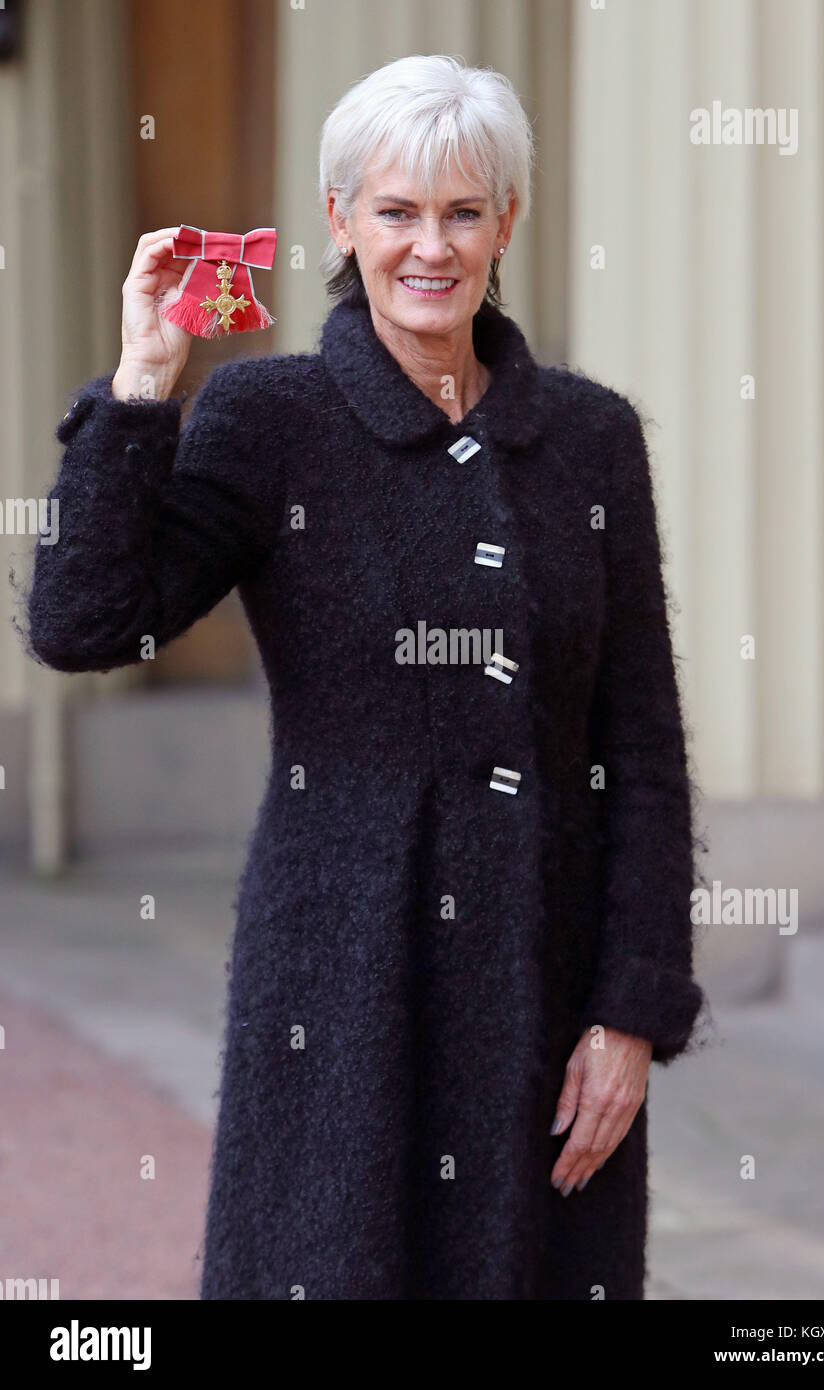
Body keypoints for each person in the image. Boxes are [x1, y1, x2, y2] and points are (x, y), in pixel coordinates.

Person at [24, 54, 706, 1300]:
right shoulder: (268, 418)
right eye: (396, 211)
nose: (429, 247)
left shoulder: (591, 439)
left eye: (461, 211)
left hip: (547, 994)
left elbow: (644, 747)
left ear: (506, 221)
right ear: (338, 221)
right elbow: (85, 624)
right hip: (337, 993)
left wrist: (632, 1009)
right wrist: (140, 390)